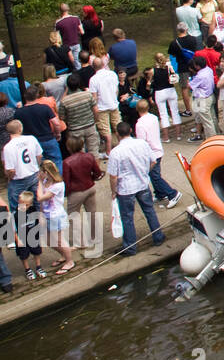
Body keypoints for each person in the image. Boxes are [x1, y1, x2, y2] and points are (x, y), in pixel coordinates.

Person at [107, 120, 165, 256]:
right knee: (149, 211)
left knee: (127, 217)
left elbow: (113, 176)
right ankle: (158, 236)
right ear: (131, 131)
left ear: (117, 134)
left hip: (125, 188)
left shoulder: (116, 152)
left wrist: (113, 191)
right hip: (142, 183)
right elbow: (153, 161)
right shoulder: (142, 144)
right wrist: (145, 172)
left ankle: (130, 246)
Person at [135, 99, 181, 207]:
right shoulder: (154, 118)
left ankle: (172, 194)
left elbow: (142, 142)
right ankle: (160, 194)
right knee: (154, 175)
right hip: (158, 149)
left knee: (155, 176)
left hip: (150, 153)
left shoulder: (140, 124)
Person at [61, 133, 101, 252]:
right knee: (92, 213)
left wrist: (66, 194)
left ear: (69, 147)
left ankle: (80, 242)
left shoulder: (67, 162)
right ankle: (95, 237)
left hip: (76, 192)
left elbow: (67, 182)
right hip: (90, 187)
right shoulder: (89, 156)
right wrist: (90, 180)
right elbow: (97, 173)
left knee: (74, 216)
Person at [36, 160, 75, 274]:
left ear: (46, 172)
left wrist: (38, 182)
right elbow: (41, 203)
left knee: (59, 240)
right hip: (47, 215)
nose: (40, 174)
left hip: (56, 216)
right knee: (48, 241)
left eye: (41, 172)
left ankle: (70, 261)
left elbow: (40, 198)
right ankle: (63, 255)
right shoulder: (45, 181)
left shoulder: (57, 185)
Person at [17, 82, 64, 172]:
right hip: (48, 139)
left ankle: (43, 184)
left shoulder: (19, 112)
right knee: (56, 161)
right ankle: (58, 182)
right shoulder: (44, 108)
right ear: (37, 95)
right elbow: (56, 123)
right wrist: (57, 134)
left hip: (31, 143)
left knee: (38, 166)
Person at [188, 56, 219, 142]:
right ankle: (218, 135)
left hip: (202, 99)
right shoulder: (209, 69)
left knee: (207, 122)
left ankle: (212, 140)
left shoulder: (200, 76)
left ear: (197, 66)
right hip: (210, 95)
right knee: (213, 118)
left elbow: (190, 85)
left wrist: (189, 80)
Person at [54, 3, 84, 69]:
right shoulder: (76, 18)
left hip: (65, 46)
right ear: (68, 9)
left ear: (60, 11)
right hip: (76, 43)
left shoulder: (58, 22)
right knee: (78, 63)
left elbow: (56, 36)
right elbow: (82, 32)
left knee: (68, 64)